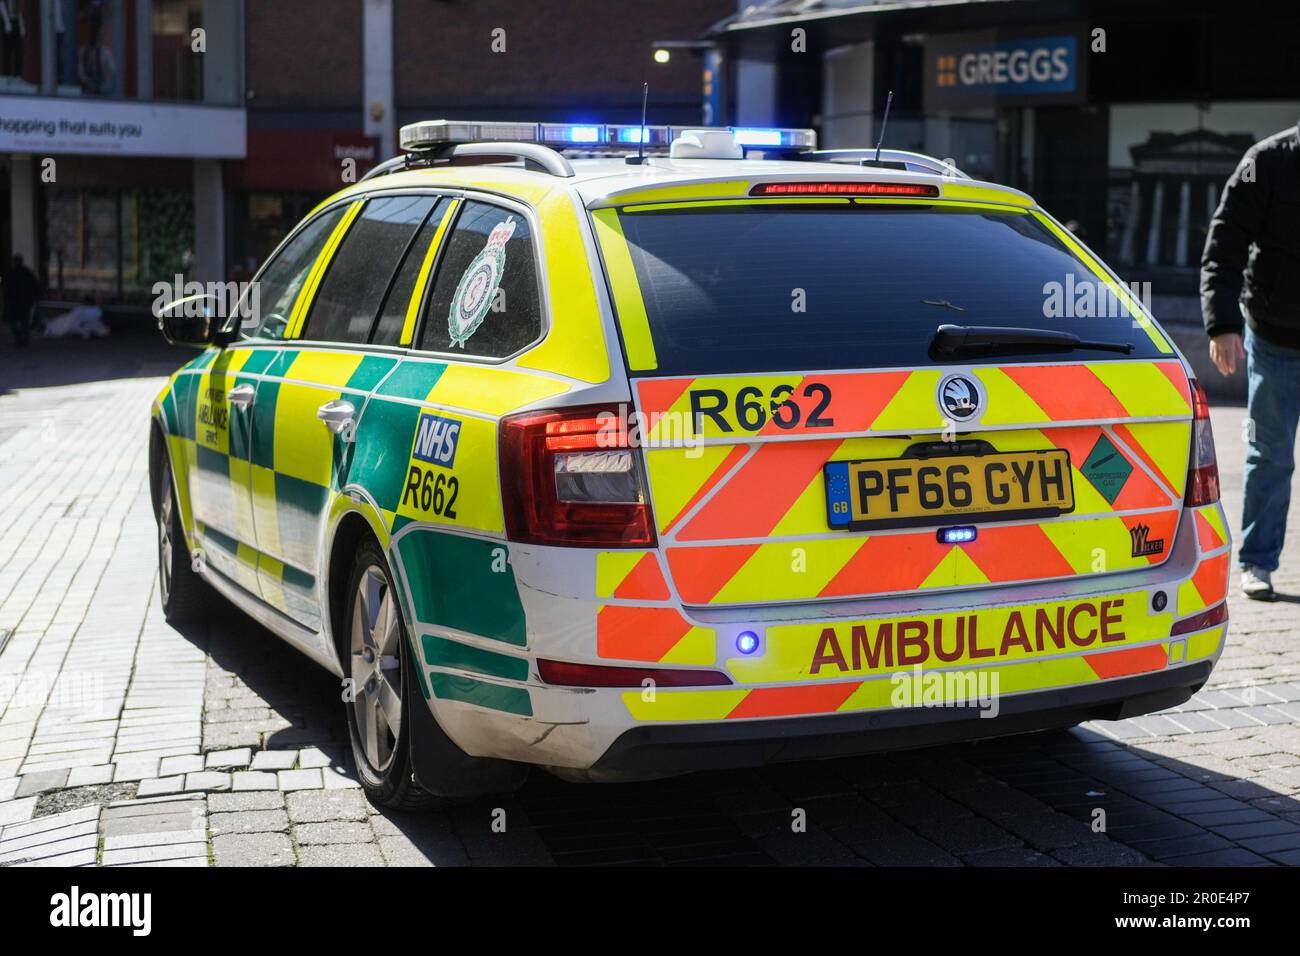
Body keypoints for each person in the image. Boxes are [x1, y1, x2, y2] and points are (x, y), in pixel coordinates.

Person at [1201, 121, 1300, 601]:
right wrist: (1222, 325)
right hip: (1276, 336)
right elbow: (1225, 245)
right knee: (1271, 455)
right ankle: (1256, 563)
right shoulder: (1265, 162)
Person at [2, 253, 40, 348]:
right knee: (23, 322)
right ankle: (23, 338)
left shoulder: (12, 273)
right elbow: (35, 286)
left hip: (15, 302)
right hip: (24, 302)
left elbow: (6, 288)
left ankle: (20, 338)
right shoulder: (26, 273)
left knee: (14, 321)